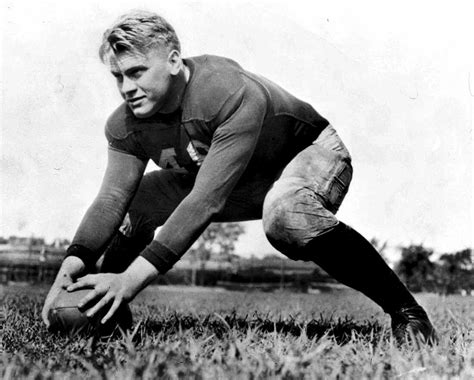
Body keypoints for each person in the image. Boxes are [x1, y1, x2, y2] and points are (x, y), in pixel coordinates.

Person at [42, 10, 437, 344]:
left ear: (175, 61)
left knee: (287, 216)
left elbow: (205, 200)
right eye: (118, 77)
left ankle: (407, 312)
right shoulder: (126, 124)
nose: (127, 88)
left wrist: (131, 279)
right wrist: (72, 266)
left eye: (137, 72)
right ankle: (109, 314)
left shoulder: (224, 90)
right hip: (232, 177)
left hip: (301, 155)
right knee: (133, 206)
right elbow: (112, 199)